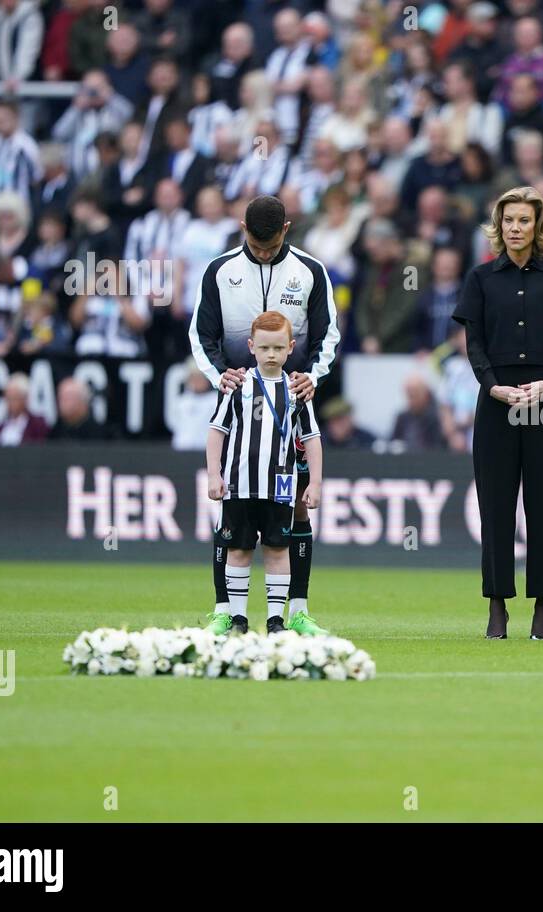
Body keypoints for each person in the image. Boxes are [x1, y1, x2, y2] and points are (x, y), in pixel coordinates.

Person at [190, 195, 340, 635]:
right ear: (242, 229)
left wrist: (311, 377)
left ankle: (295, 612)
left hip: (292, 398)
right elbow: (203, 333)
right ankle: (226, 610)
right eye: (255, 246)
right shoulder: (220, 271)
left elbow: (327, 333)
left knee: (294, 511)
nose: (262, 253)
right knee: (233, 513)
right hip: (240, 398)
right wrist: (221, 376)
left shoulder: (310, 272)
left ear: (287, 230)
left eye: (270, 246)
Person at [451, 186, 543, 640]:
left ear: (538, 226)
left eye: (524, 221)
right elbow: (473, 344)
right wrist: (493, 387)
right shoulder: (480, 278)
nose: (515, 228)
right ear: (499, 225)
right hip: (496, 401)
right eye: (509, 220)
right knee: (495, 506)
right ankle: (497, 607)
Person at [205, 311, 323, 636]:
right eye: (265, 348)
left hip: (281, 485)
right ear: (251, 346)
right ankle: (237, 619)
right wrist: (214, 475)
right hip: (239, 483)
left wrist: (315, 481)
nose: (271, 355)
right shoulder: (237, 385)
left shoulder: (298, 388)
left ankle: (276, 620)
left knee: (277, 549)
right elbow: (217, 430)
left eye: (278, 348)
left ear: (290, 348)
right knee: (239, 549)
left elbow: (312, 438)